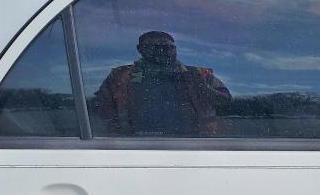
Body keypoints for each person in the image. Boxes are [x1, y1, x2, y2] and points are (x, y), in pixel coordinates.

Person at [92, 31, 231, 136]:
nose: (161, 51)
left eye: (167, 47)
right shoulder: (120, 75)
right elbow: (100, 108)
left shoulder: (199, 74)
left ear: (175, 49)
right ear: (139, 49)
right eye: (153, 46)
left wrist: (201, 87)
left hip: (194, 145)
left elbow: (226, 102)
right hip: (133, 145)